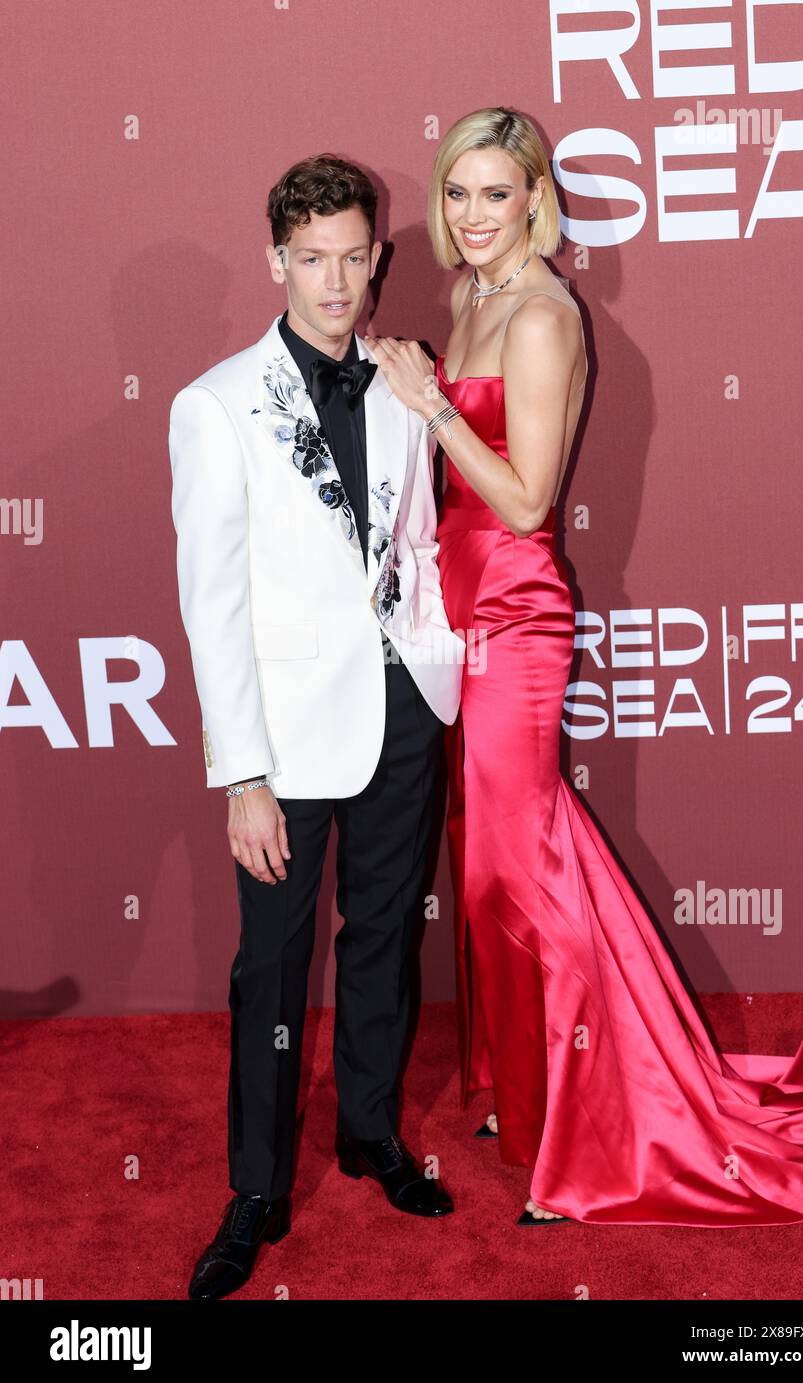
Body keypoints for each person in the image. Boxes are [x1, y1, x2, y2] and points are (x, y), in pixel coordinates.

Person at [363, 106, 803, 1228]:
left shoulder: (542, 316)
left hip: (519, 614)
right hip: (454, 615)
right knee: (498, 860)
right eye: (457, 193)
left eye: (497, 194)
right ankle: (526, 1093)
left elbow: (530, 500)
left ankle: (591, 1134)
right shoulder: (470, 295)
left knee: (513, 872)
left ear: (538, 197)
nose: (474, 215)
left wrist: (433, 404)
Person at [169, 154, 466, 1298]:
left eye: (355, 258)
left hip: (403, 711)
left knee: (386, 933)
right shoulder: (214, 405)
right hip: (285, 739)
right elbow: (214, 604)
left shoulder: (406, 377)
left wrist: (435, 665)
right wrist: (241, 771)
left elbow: (418, 542)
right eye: (313, 261)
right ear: (275, 262)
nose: (336, 283)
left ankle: (372, 1132)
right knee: (273, 962)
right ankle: (254, 1188)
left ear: (378, 257)